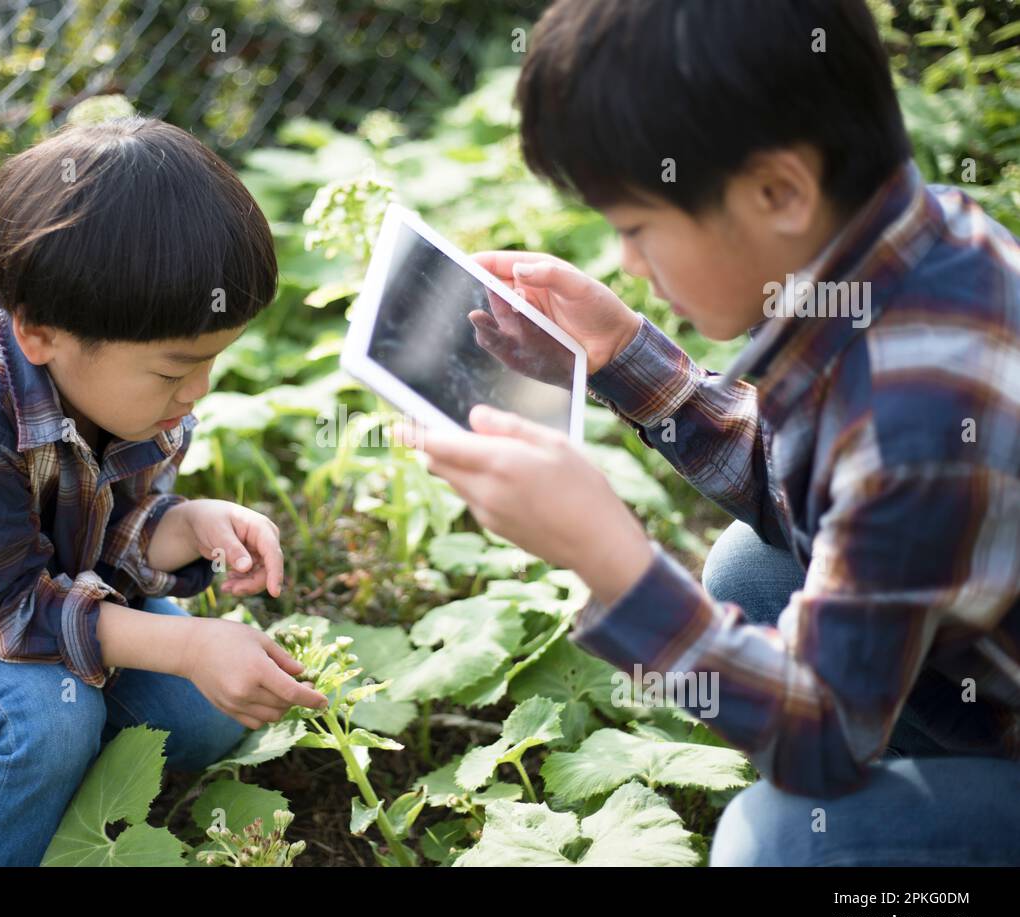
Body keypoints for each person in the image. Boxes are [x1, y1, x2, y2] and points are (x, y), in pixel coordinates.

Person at [405, 0, 1020, 865]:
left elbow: (819, 740)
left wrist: (611, 560)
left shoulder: (917, 409)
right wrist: (621, 353)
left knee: (779, 846)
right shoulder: (912, 258)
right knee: (750, 570)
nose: (626, 260)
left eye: (637, 227)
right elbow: (814, 484)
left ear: (778, 191)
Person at [0, 117, 328, 866]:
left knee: (203, 720)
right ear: (40, 334)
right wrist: (189, 640)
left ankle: (45, 773)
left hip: (38, 584)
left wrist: (193, 522)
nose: (196, 393)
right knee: (49, 719)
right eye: (174, 371)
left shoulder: (128, 386)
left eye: (211, 363)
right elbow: (8, 611)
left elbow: (116, 525)